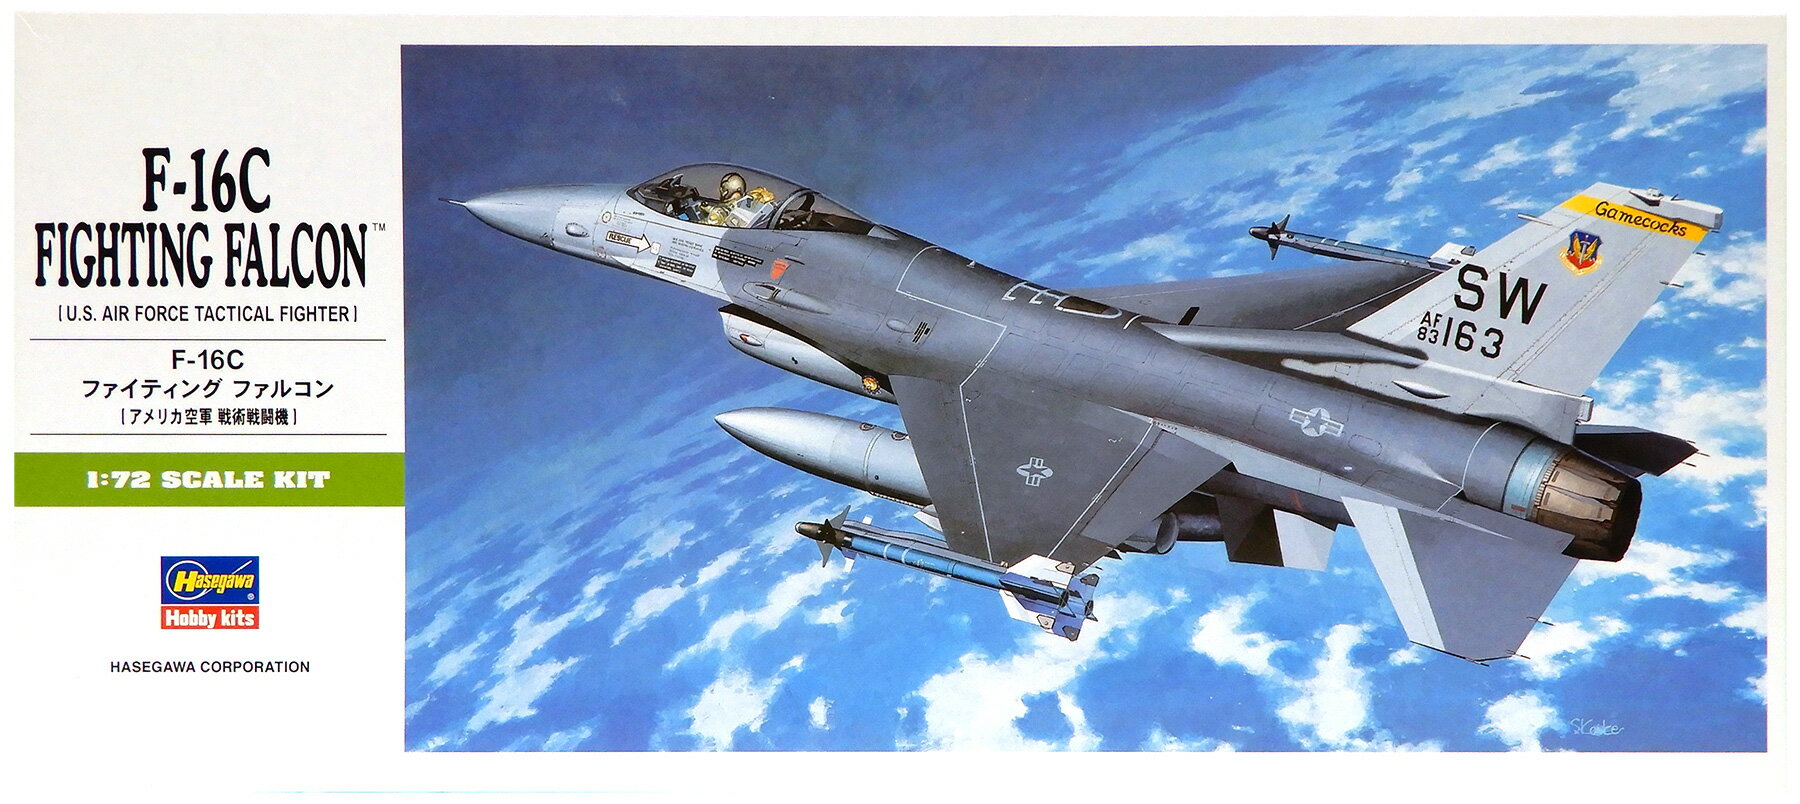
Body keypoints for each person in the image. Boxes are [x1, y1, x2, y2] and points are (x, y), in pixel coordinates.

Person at [701, 172, 776, 227]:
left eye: (723, 187)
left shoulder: (720, 212)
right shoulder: (747, 208)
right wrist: (709, 208)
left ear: (726, 189)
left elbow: (706, 226)